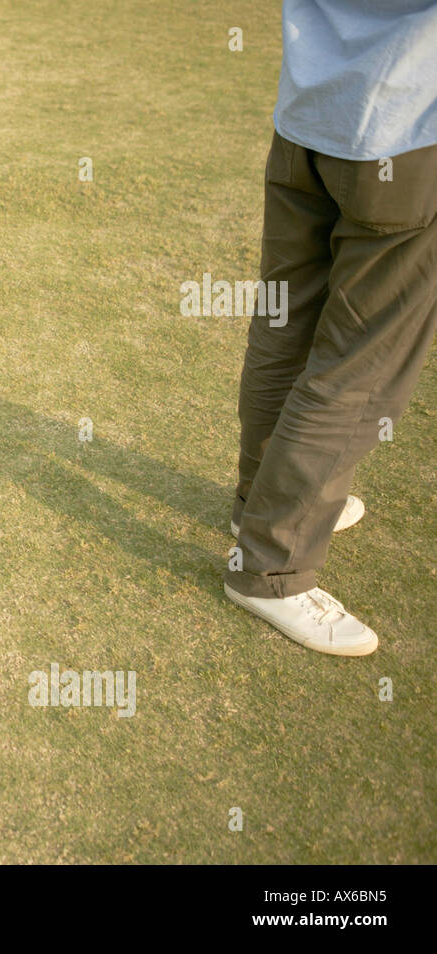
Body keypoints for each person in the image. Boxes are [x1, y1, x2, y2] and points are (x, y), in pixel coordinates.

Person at [225, 0, 437, 655]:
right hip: (401, 136)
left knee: (284, 331)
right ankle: (272, 568)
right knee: (361, 368)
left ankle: (258, 504)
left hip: (305, 123)